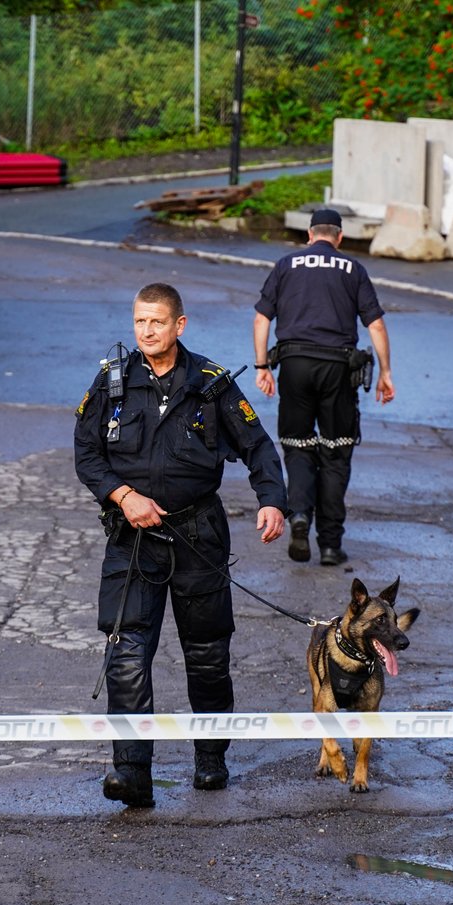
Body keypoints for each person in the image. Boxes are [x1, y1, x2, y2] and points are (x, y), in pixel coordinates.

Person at [75, 282, 287, 809]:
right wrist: (123, 496)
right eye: (139, 321)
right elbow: (86, 453)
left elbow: (258, 446)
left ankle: (210, 758)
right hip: (133, 540)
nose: (146, 331)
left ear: (179, 325)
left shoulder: (211, 385)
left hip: (198, 537)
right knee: (126, 653)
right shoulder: (112, 382)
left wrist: (271, 500)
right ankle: (132, 773)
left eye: (157, 322)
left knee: (208, 656)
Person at [252, 207, 394, 567]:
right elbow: (376, 325)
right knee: (336, 452)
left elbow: (261, 318)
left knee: (298, 446)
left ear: (310, 235)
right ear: (339, 237)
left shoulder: (286, 265)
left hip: (294, 365)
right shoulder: (353, 269)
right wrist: (385, 372)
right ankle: (330, 545)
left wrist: (262, 366)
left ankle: (299, 515)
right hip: (338, 369)